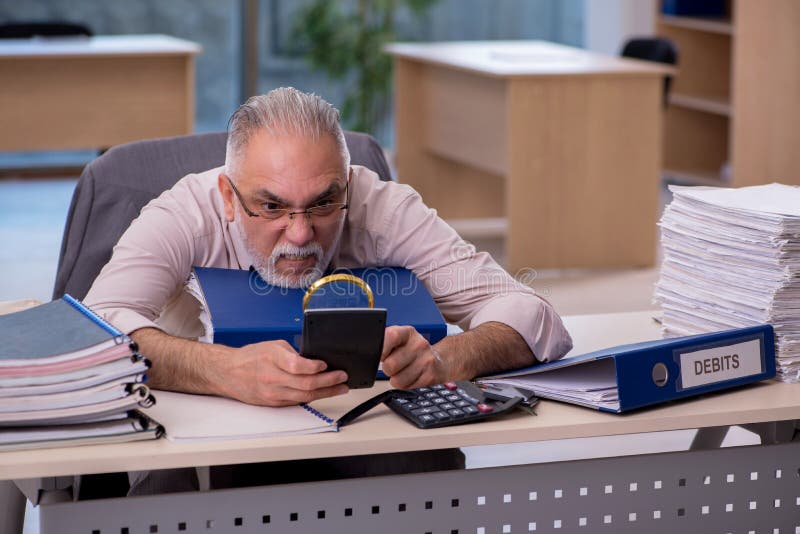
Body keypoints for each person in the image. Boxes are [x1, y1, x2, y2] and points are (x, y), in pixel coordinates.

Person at [83, 87, 573, 493]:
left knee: (423, 471)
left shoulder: (381, 207)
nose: (300, 234)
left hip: (358, 433)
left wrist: (450, 358)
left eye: (323, 204)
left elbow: (535, 315)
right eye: (271, 207)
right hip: (204, 444)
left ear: (347, 189)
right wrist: (222, 369)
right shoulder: (183, 214)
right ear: (228, 197)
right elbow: (94, 328)